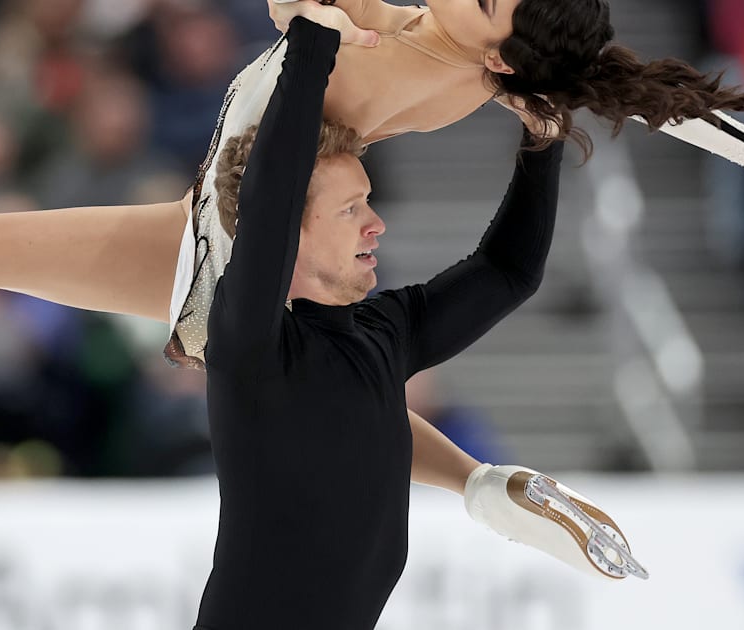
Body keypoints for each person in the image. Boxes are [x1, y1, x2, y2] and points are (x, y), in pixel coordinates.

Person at [0, 0, 744, 559]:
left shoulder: (429, 43)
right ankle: (475, 485)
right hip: (202, 228)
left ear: (506, 53)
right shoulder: (476, 46)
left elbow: (285, 22)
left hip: (239, 251)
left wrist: (327, 16)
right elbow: (668, 100)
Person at [198, 21, 638, 630]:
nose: (375, 224)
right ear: (287, 231)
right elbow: (270, 199)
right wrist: (313, 40)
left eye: (369, 201)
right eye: (351, 209)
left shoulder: (383, 333)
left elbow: (509, 271)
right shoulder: (251, 346)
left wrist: (543, 135)